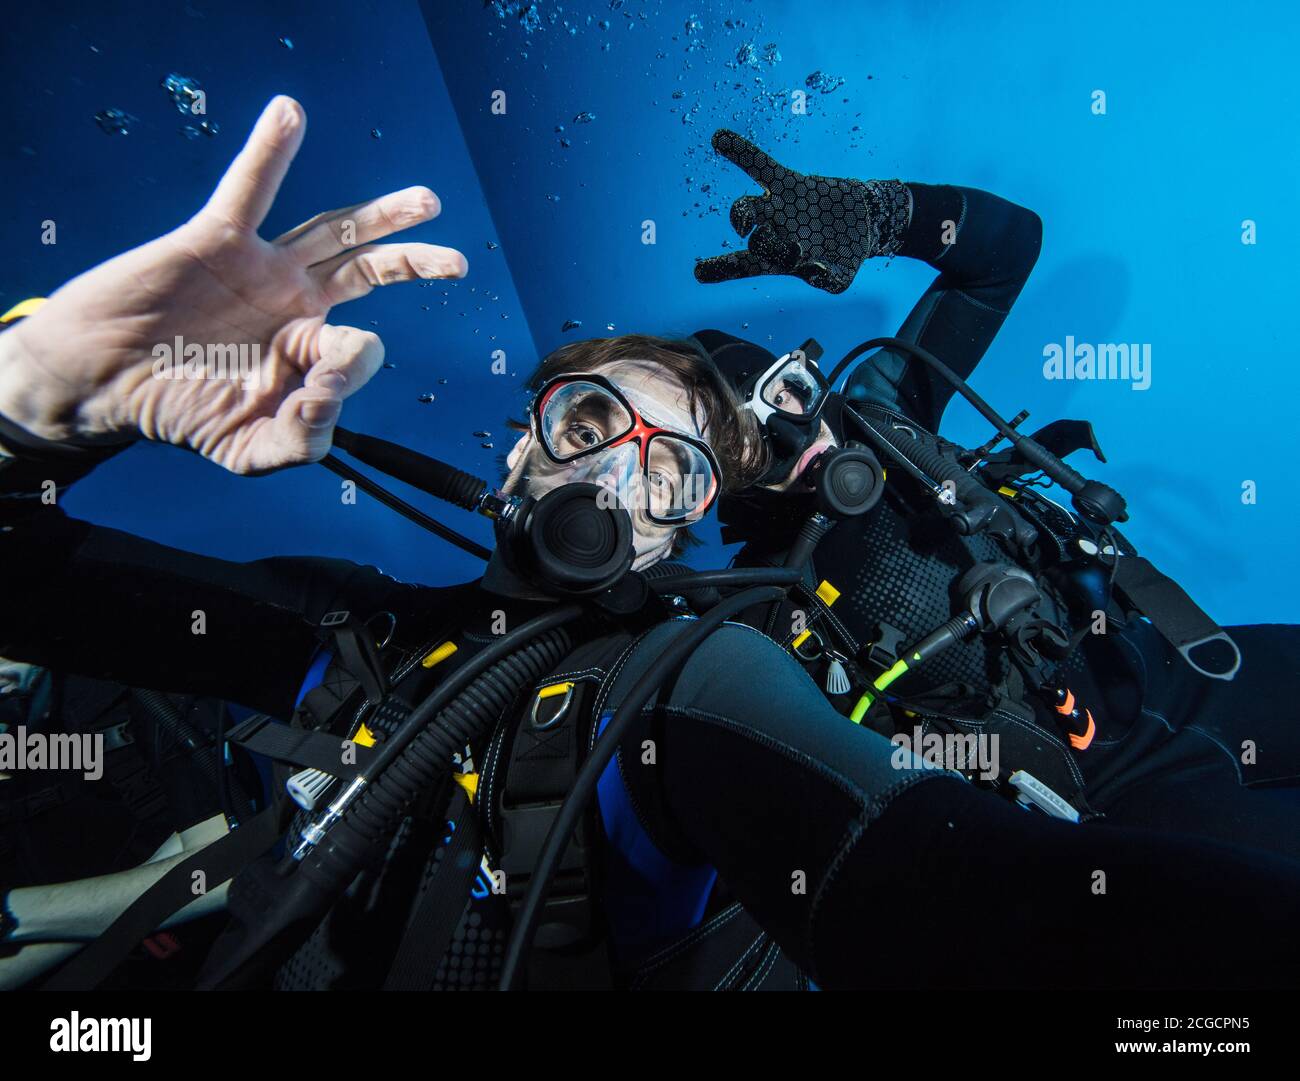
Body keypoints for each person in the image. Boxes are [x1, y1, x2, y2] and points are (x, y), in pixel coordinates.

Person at [4, 98, 1300, 992]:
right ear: (519, 449)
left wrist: (884, 211)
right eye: (588, 419)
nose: (621, 476)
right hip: (1065, 770)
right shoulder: (696, 654)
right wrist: (39, 415)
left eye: (676, 458)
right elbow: (938, 886)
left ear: (684, 516)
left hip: (1152, 670)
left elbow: (1000, 251)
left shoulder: (866, 446)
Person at [693, 128, 1300, 859]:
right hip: (1102, 806)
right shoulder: (763, 611)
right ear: (718, 490)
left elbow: (1009, 248)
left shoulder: (887, 412)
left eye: (786, 394)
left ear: (808, 374)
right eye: (754, 447)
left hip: (1174, 674)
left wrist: (878, 216)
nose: (798, 439)